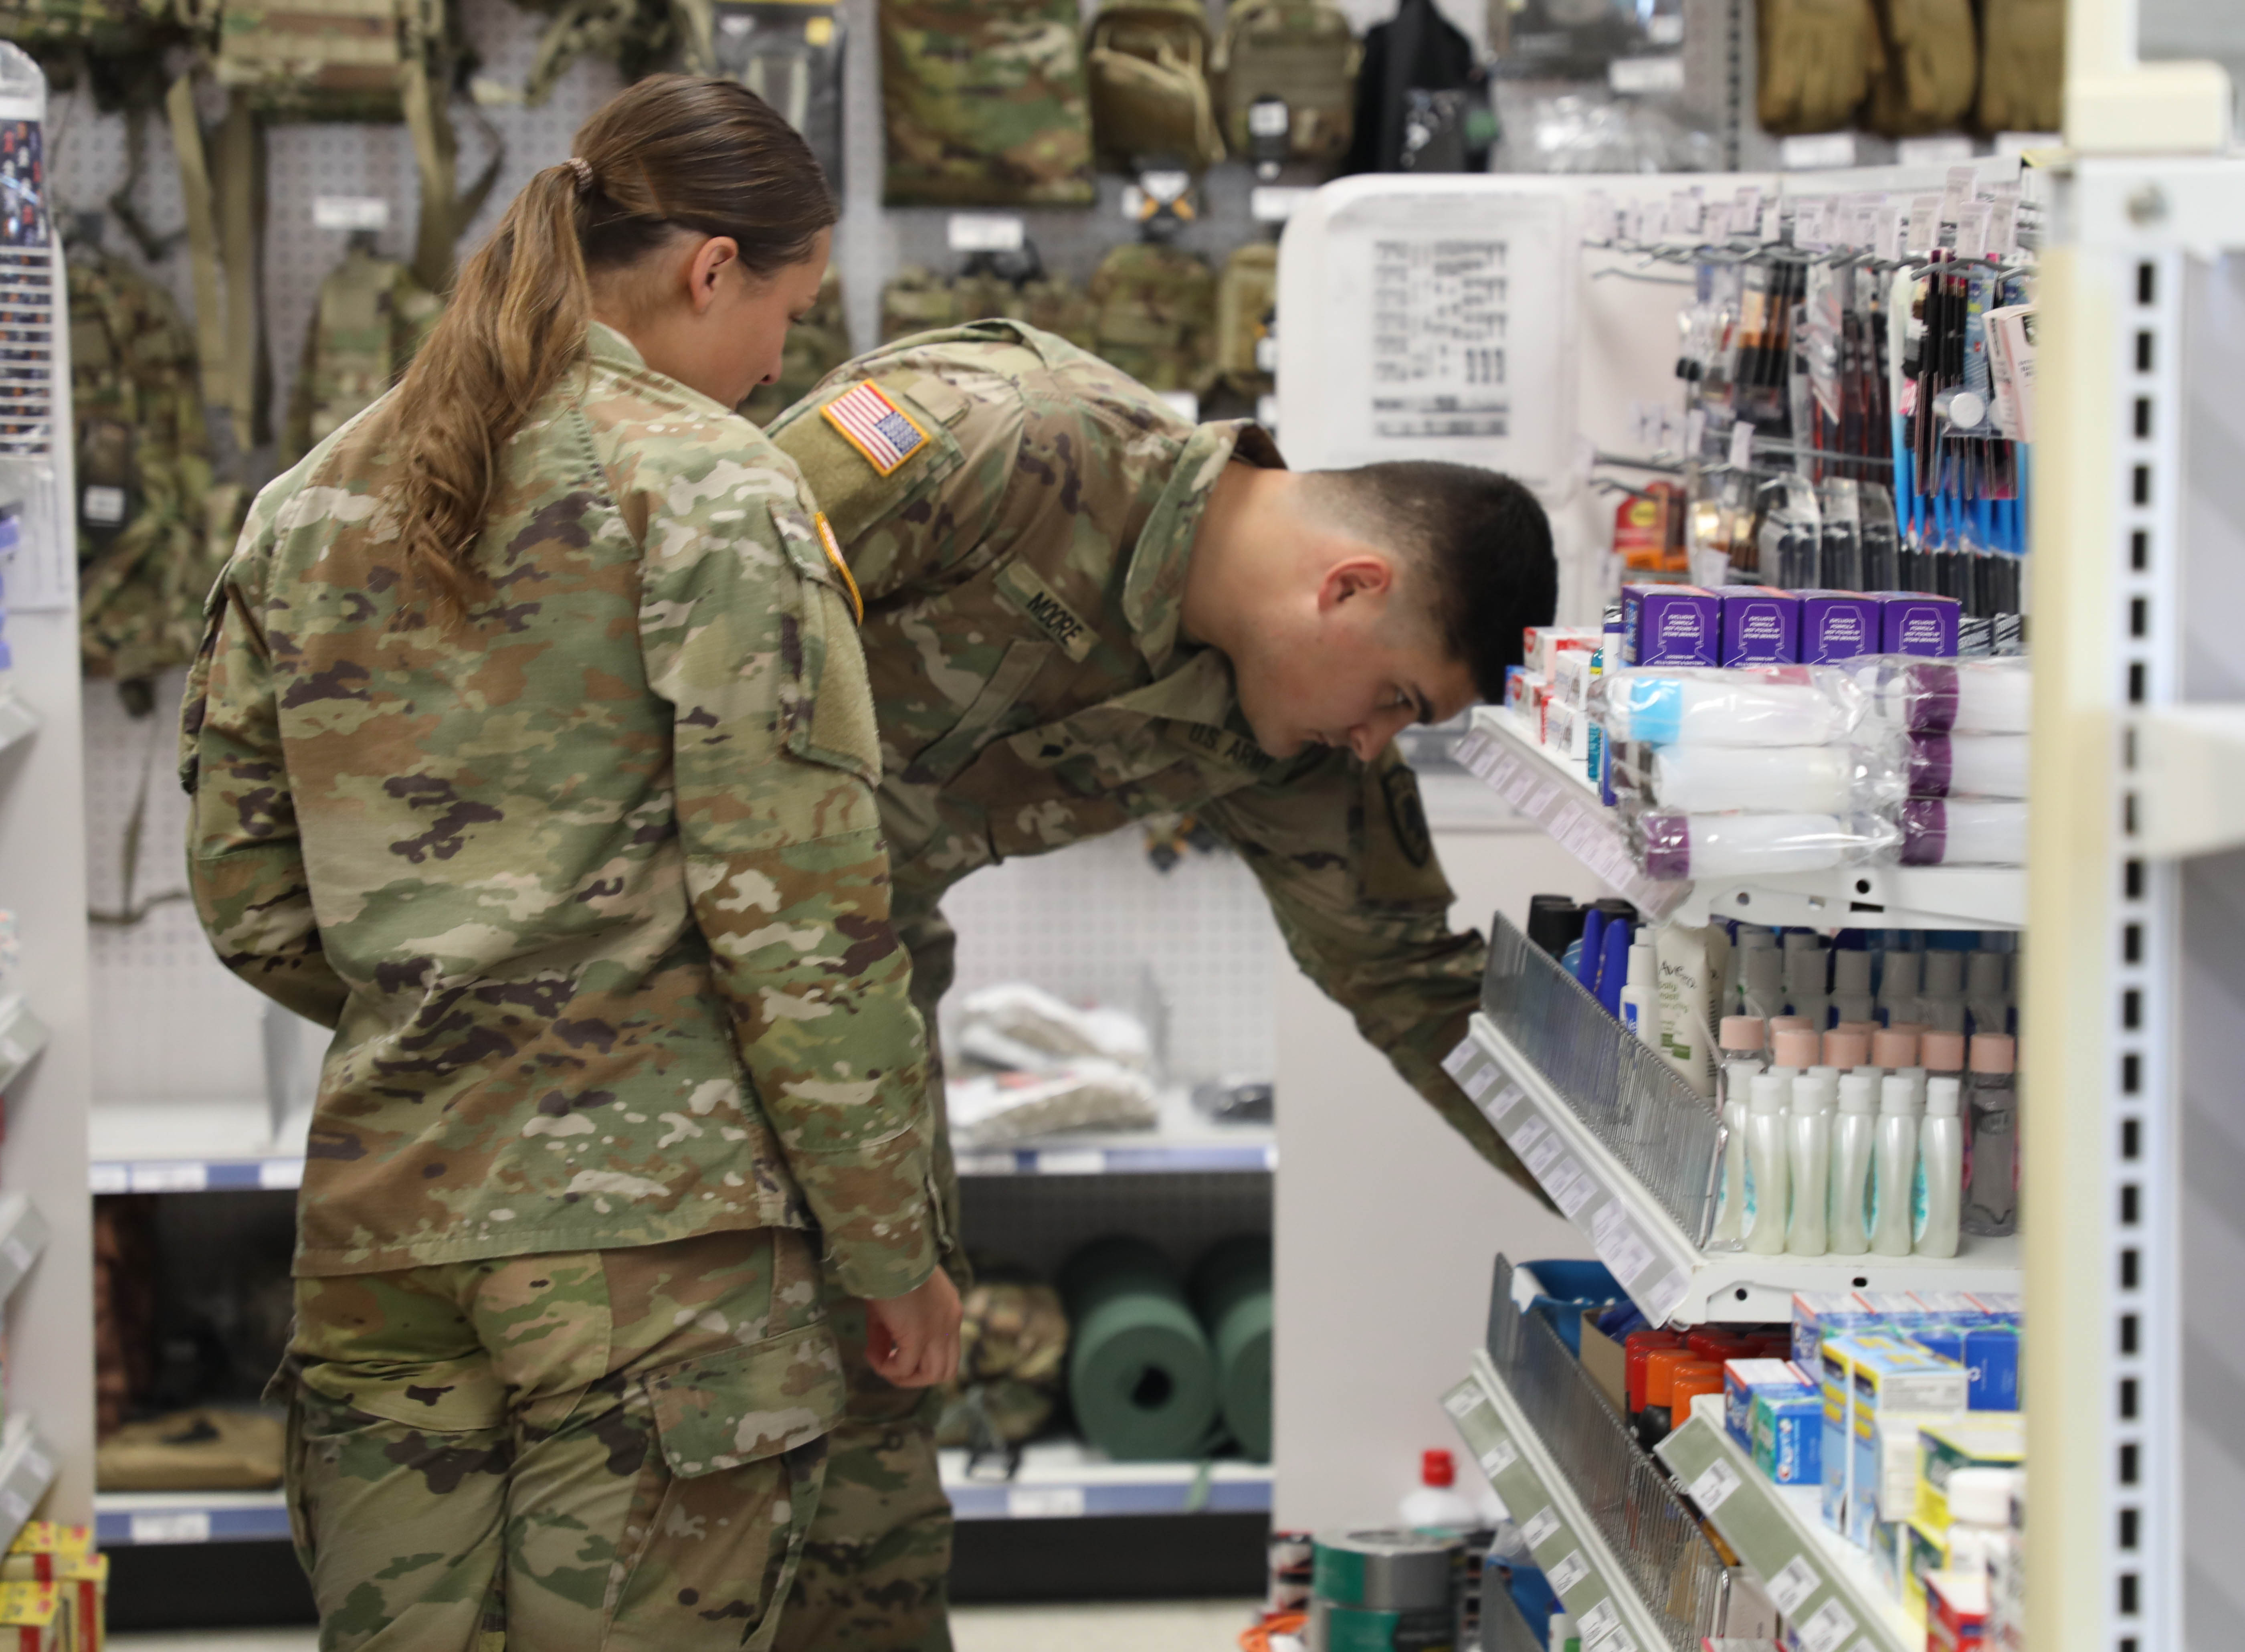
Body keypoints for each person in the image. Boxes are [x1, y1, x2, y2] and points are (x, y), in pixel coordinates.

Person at [178, 77, 960, 1652]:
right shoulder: (722, 490)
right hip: (655, 1257)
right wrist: (892, 1248)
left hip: (385, 1225)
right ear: (711, 267)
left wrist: (456, 1006)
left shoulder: (310, 500)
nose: (780, 366)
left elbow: (250, 897)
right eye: (790, 317)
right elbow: (798, 933)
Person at [762, 320, 1558, 1649]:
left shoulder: (1288, 745)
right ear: (1350, 587)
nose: (1375, 746)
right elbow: (655, 624)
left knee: (866, 1481)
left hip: (860, 1020)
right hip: (640, 998)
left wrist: (1665, 1223)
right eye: (1399, 702)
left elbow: (1419, 991)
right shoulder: (994, 439)